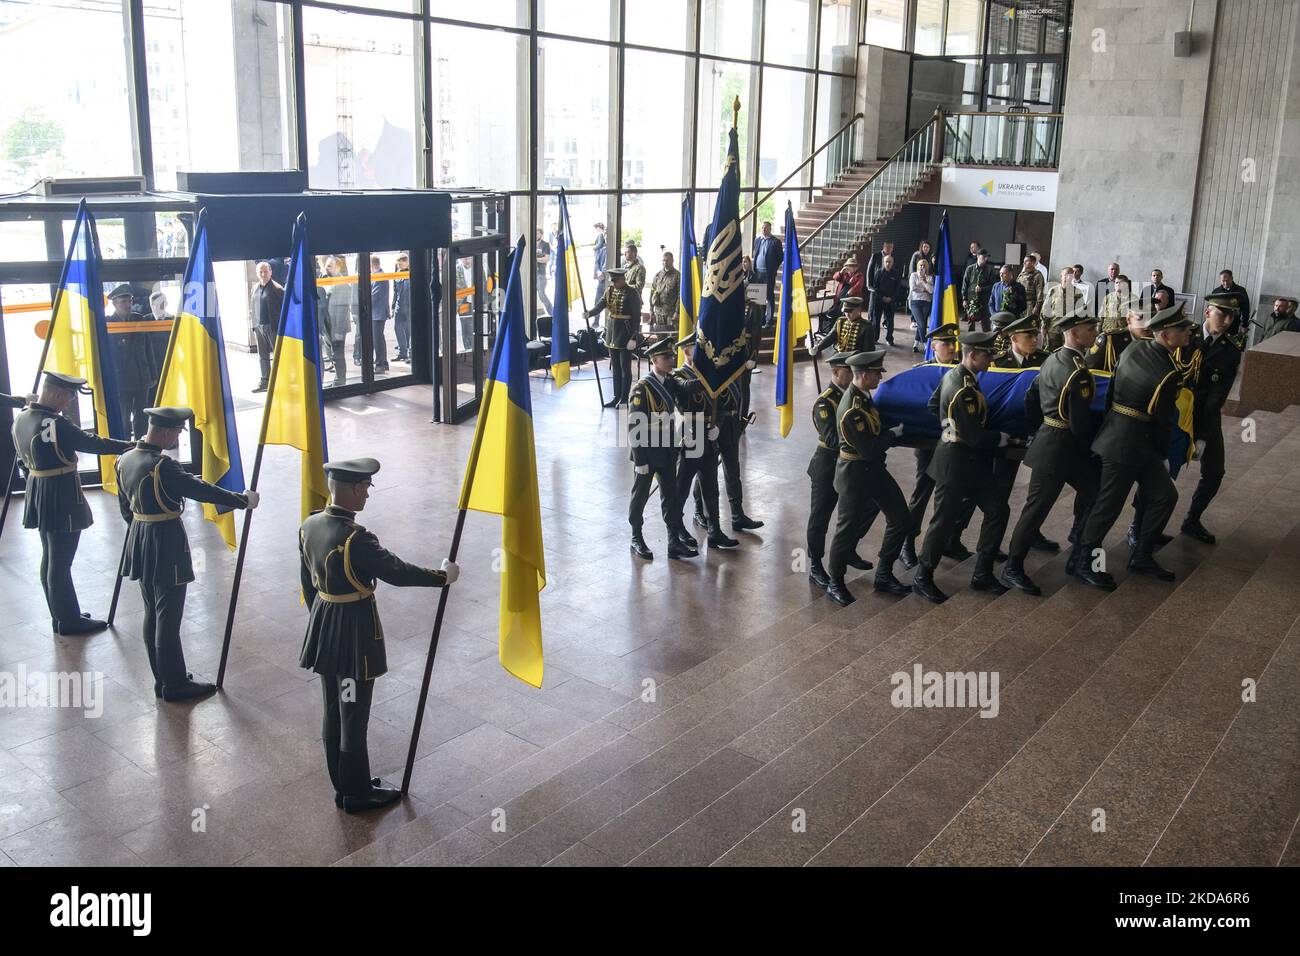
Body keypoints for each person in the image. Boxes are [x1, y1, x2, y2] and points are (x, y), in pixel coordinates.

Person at [299, 457, 457, 812]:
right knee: (353, 712)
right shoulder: (355, 538)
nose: (368, 495)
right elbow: (397, 572)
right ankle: (356, 793)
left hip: (324, 626)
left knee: (333, 708)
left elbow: (308, 584)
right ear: (353, 488)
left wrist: (321, 621)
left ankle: (343, 783)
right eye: (366, 488)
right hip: (353, 634)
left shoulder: (309, 526)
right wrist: (442, 576)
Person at [115, 406, 257, 700]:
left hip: (140, 537)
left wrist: (143, 526)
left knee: (152, 612)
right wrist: (241, 500)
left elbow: (125, 510)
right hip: (165, 541)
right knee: (168, 617)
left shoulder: (125, 458)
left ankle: (162, 678)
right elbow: (200, 489)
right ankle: (175, 684)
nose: (177, 437)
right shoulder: (161, 466)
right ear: (166, 431)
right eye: (178, 432)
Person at [1072, 304, 1194, 590]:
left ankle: (1141, 555)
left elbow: (1112, 390)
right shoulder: (1168, 372)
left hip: (1119, 435)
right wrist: (1164, 452)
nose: (1188, 331)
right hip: (1130, 445)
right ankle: (1083, 561)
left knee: (1164, 495)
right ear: (1165, 334)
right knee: (1108, 505)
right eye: (1182, 329)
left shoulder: (1133, 349)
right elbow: (1162, 420)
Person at [13, 371, 135, 635]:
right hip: (61, 494)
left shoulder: (22, 417)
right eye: (67, 397)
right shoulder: (53, 423)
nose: (67, 403)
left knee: (50, 557)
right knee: (60, 561)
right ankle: (68, 620)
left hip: (39, 490)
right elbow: (92, 443)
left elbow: (23, 460)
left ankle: (61, 614)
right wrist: (132, 446)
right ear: (56, 394)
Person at [1001, 307, 1102, 594]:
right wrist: (1092, 449)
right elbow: (1080, 425)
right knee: (1037, 509)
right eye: (1089, 329)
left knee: (1094, 494)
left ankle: (1079, 554)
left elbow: (1031, 396)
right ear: (1073, 332)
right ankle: (1013, 567)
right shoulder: (1076, 371)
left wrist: (1039, 428)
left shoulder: (1054, 359)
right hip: (1060, 448)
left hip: (1051, 439)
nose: (1094, 333)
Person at [910, 330, 1013, 604]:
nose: (990, 360)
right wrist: (998, 437)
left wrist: (949, 425)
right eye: (987, 355)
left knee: (997, 510)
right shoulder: (963, 388)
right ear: (972, 355)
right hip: (955, 464)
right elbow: (974, 437)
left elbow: (934, 404)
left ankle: (982, 573)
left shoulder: (957, 376)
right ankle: (922, 577)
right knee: (942, 521)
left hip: (969, 462)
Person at [824, 351, 912, 606]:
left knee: (900, 518)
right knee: (846, 529)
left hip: (872, 470)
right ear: (863, 375)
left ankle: (884, 574)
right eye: (876, 373)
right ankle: (835, 582)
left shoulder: (863, 397)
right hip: (854, 473)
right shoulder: (851, 408)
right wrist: (893, 435)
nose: (879, 376)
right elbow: (869, 448)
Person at [1178, 292, 1243, 544]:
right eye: (1222, 314)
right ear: (1207, 312)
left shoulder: (1230, 351)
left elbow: (1217, 397)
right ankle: (1138, 526)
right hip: (1177, 414)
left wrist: (1202, 437)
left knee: (1215, 472)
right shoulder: (1185, 336)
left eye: (1231, 316)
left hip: (1206, 418)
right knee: (1159, 471)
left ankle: (1192, 520)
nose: (1227, 321)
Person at [806, 352, 871, 589]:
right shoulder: (825, 403)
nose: (852, 374)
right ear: (835, 372)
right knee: (820, 518)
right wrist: (861, 438)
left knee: (866, 507)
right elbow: (833, 438)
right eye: (847, 370)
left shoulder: (857, 396)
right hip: (827, 466)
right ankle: (815, 565)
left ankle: (849, 548)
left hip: (850, 467)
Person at [900, 323, 960, 571]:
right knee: (921, 494)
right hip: (928, 444)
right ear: (933, 346)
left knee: (948, 496)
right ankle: (907, 544)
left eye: (952, 343)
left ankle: (944, 542)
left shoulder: (960, 370)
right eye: (945, 344)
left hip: (953, 445)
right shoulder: (922, 371)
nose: (950, 348)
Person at [629, 337, 695, 559]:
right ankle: (636, 536)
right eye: (666, 357)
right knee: (641, 496)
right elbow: (634, 425)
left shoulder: (669, 381)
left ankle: (673, 541)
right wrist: (640, 461)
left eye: (671, 356)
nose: (670, 360)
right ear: (654, 360)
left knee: (671, 496)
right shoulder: (642, 388)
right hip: (647, 451)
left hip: (667, 450)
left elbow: (684, 391)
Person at [586, 267, 641, 407]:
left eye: (617, 281)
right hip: (612, 332)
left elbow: (636, 317)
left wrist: (633, 337)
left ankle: (624, 399)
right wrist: (589, 313)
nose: (614, 283)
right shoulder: (610, 290)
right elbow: (601, 305)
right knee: (615, 368)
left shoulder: (632, 292)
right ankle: (616, 397)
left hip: (625, 333)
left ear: (623, 279)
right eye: (613, 281)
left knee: (625, 368)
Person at [106, 285, 155, 439]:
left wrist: (153, 374)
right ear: (114, 303)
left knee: (142, 417)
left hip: (141, 377)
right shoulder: (108, 323)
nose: (128, 305)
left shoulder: (139, 319)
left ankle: (141, 447)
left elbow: (148, 348)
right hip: (121, 380)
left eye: (129, 301)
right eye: (123, 301)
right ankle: (125, 448)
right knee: (123, 418)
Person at [249, 261, 284, 393]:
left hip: (273, 326)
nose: (263, 274)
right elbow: (252, 308)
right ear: (257, 274)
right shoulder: (255, 288)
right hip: (259, 326)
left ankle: (279, 381)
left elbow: (283, 310)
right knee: (262, 356)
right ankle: (265, 381)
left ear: (270, 272)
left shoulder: (278, 289)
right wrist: (254, 326)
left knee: (277, 355)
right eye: (260, 272)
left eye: (265, 271)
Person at [324, 257, 354, 386]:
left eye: (330, 266)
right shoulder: (326, 280)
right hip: (328, 324)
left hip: (337, 326)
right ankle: (337, 379)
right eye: (326, 265)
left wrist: (339, 332)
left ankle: (340, 381)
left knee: (338, 355)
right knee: (331, 353)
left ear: (338, 267)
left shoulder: (343, 284)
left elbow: (343, 310)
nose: (327, 268)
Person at [752, 220, 783, 327]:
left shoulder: (775, 242)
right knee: (758, 297)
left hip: (768, 273)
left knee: (769, 296)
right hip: (757, 272)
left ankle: (769, 320)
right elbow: (755, 254)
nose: (764, 229)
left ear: (770, 229)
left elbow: (780, 257)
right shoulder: (757, 240)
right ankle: (760, 320)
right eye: (762, 228)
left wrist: (773, 268)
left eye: (766, 228)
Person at [869, 253, 902, 346]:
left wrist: (891, 298)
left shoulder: (896, 274)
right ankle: (875, 338)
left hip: (890, 301)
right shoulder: (878, 272)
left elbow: (898, 288)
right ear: (884, 262)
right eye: (886, 262)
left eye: (890, 262)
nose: (888, 264)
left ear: (893, 263)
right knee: (876, 321)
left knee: (890, 321)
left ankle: (889, 339)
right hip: (879, 300)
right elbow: (875, 288)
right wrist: (882, 297)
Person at [961, 249, 997, 331]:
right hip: (971, 300)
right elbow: (964, 285)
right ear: (977, 256)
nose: (985, 259)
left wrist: (982, 289)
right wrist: (964, 299)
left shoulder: (989, 269)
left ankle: (986, 341)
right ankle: (970, 342)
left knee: (986, 324)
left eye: (987, 257)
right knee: (971, 322)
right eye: (983, 257)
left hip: (984, 300)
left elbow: (993, 285)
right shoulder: (970, 269)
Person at [368, 255, 391, 373]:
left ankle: (380, 364)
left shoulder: (379, 277)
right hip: (378, 312)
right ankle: (383, 363)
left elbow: (374, 296)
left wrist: (364, 301)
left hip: (377, 313)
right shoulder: (379, 276)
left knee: (377, 339)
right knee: (379, 338)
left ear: (374, 265)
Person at [648, 251, 680, 330]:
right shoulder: (657, 275)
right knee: (660, 338)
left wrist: (677, 312)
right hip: (658, 313)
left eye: (667, 260)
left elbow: (680, 295)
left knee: (672, 339)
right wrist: (651, 310)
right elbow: (652, 292)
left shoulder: (677, 275)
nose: (665, 262)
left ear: (672, 260)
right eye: (663, 260)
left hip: (671, 313)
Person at [908, 258, 934, 353]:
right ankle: (925, 344)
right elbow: (913, 288)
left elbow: (931, 291)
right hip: (915, 302)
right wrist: (924, 289)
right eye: (921, 265)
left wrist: (924, 281)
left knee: (921, 325)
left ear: (927, 267)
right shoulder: (913, 275)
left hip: (926, 302)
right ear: (918, 266)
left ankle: (915, 344)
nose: (922, 267)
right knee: (922, 324)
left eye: (924, 266)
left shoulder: (929, 277)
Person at [391, 253, 410, 363]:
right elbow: (395, 291)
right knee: (397, 328)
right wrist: (393, 306)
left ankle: (410, 354)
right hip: (400, 306)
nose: (399, 266)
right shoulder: (397, 274)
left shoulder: (412, 272)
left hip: (409, 306)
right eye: (398, 264)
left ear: (406, 262)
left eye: (401, 264)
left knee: (409, 331)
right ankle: (402, 352)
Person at [1018, 254, 1045, 329]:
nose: (1024, 263)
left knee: (1030, 327)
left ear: (1033, 263)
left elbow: (1040, 291)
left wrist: (1037, 306)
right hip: (1021, 305)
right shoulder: (1021, 275)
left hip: (1031, 305)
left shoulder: (1038, 275)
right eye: (1024, 261)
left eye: (1026, 261)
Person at [534, 229, 553, 316]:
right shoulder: (531, 244)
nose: (536, 235)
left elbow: (546, 259)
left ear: (541, 234)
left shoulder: (545, 245)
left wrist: (535, 259)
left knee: (541, 293)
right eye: (535, 233)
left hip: (541, 273)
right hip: (532, 273)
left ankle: (552, 312)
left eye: (538, 233)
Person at [593, 223, 608, 303]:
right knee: (598, 301)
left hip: (609, 279)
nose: (606, 237)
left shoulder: (616, 251)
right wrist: (598, 271)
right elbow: (597, 262)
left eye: (608, 235)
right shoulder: (603, 250)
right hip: (602, 279)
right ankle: (596, 316)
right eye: (605, 235)